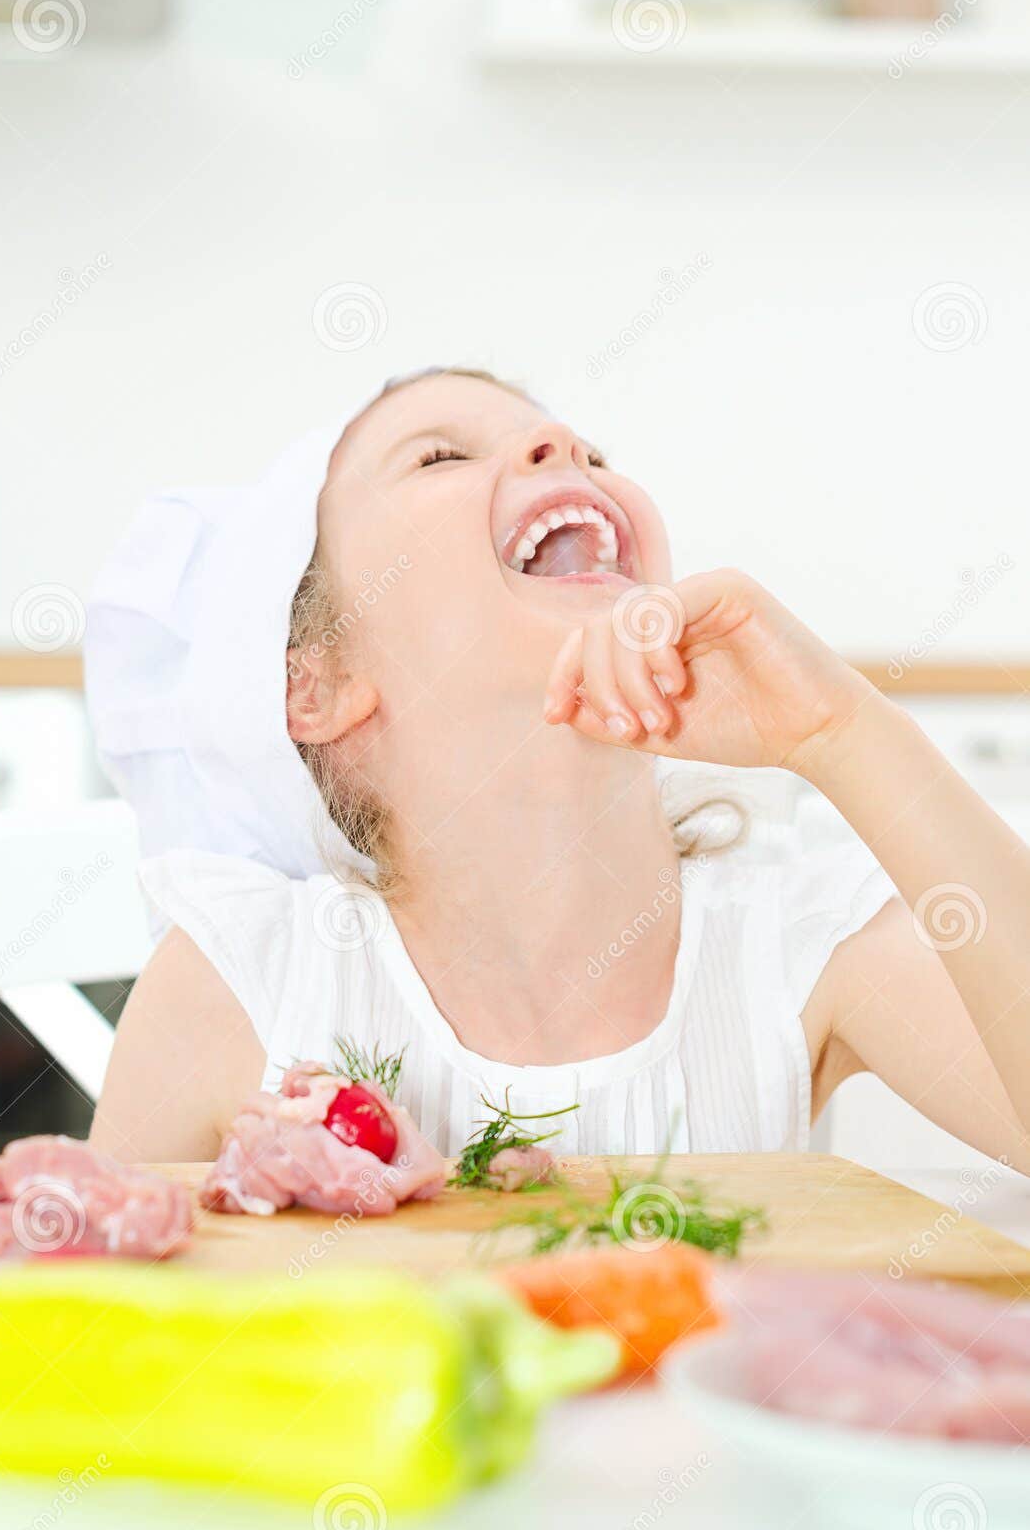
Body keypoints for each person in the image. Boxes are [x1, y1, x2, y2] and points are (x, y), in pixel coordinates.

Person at [86, 368, 1030, 1171]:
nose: (561, 441)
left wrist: (840, 730)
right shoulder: (241, 980)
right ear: (317, 681)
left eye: (592, 452)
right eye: (441, 456)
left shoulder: (797, 943)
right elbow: (81, 1338)